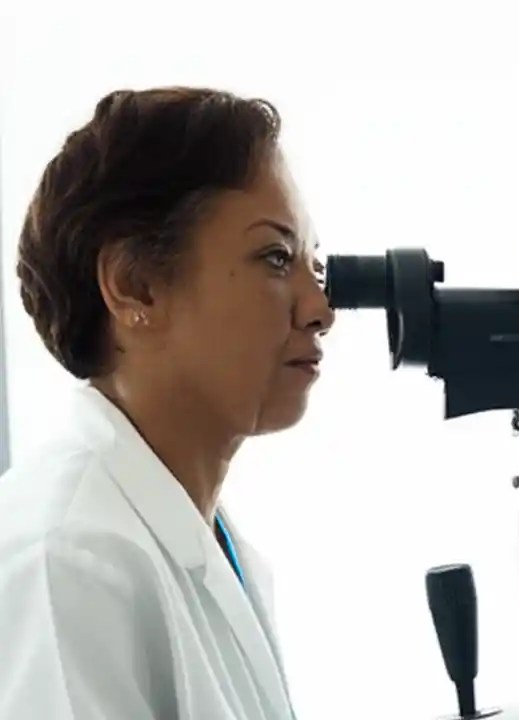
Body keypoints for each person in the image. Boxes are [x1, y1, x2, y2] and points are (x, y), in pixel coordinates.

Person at [0, 87, 334, 719]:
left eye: (313, 267)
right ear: (135, 286)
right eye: (275, 258)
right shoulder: (70, 561)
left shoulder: (202, 538)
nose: (319, 310)